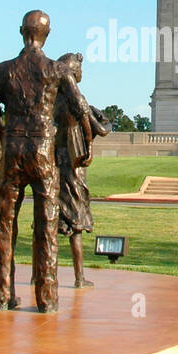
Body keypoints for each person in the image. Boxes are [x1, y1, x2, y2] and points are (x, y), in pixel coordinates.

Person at [0, 10, 92, 313]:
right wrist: (84, 141)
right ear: (48, 33)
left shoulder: (3, 70)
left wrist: (3, 127)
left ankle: (4, 294)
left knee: (5, 222)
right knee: (47, 223)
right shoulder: (56, 70)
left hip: (14, 147)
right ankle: (47, 297)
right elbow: (80, 107)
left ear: (21, 31)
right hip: (43, 149)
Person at [53, 53, 111, 288]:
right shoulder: (78, 98)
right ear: (71, 71)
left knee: (52, 217)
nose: (81, 72)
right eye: (78, 68)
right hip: (75, 157)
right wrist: (105, 121)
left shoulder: (53, 99)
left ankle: (40, 274)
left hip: (56, 156)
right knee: (75, 221)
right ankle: (79, 277)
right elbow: (99, 130)